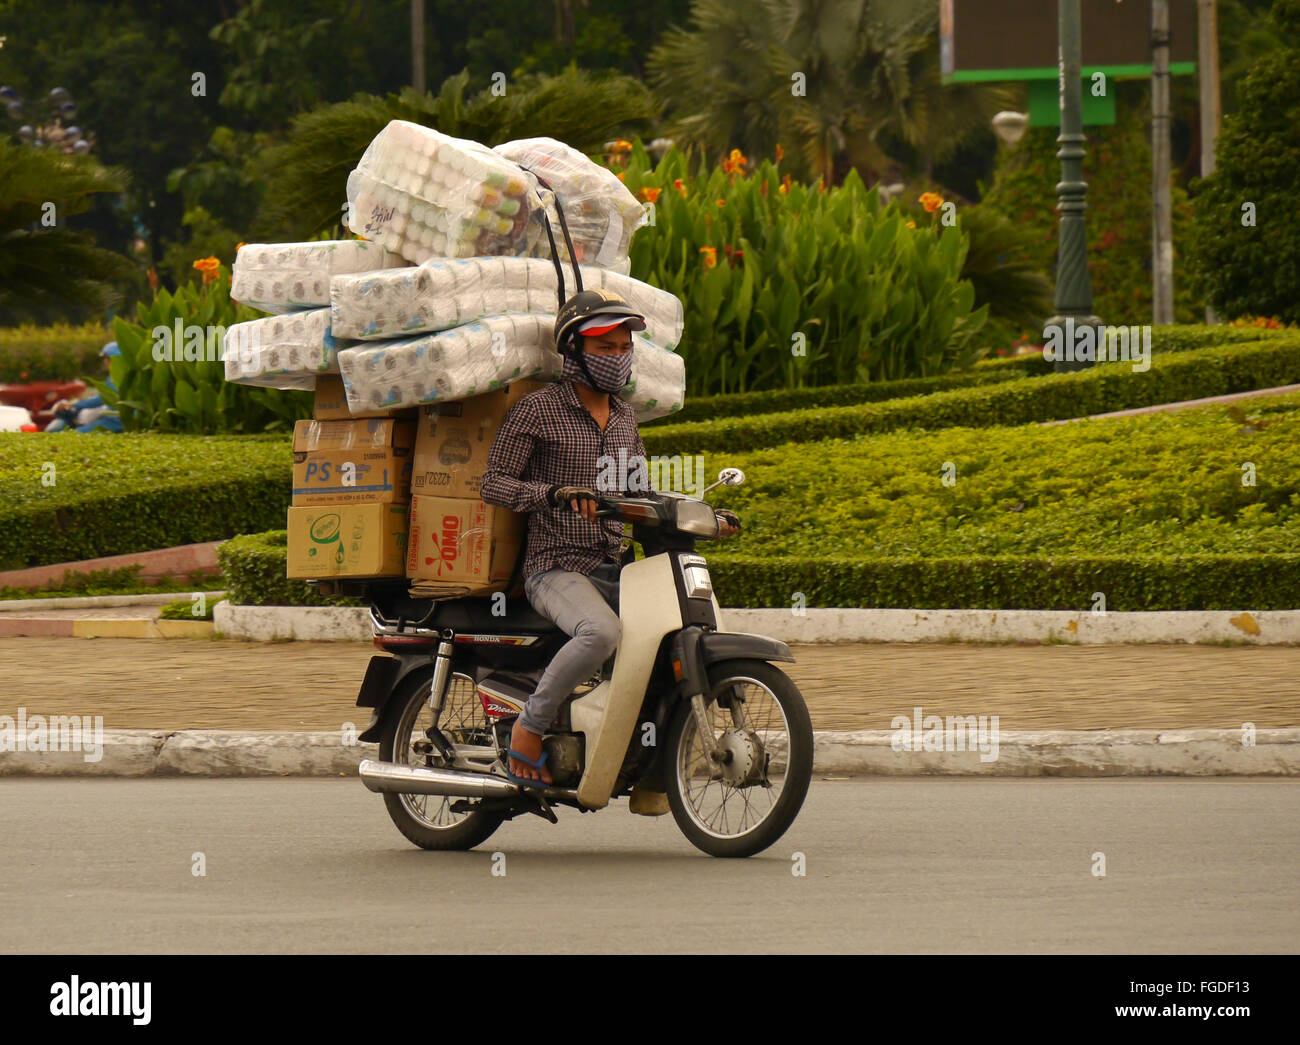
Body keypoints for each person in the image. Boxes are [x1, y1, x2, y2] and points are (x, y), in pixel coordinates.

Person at [480, 290, 739, 792]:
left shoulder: (624, 419)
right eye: (606, 348)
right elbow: (494, 484)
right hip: (556, 567)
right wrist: (553, 494)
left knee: (670, 637)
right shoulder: (539, 410)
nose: (619, 357)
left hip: (614, 564)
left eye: (625, 348)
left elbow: (639, 493)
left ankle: (641, 763)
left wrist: (702, 513)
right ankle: (531, 729)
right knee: (599, 634)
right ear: (573, 351)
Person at [45, 342, 123, 433]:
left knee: (75, 434)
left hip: (114, 422)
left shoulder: (118, 377)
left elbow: (102, 399)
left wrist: (73, 404)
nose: (105, 362)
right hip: (112, 418)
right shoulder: (116, 375)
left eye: (106, 359)